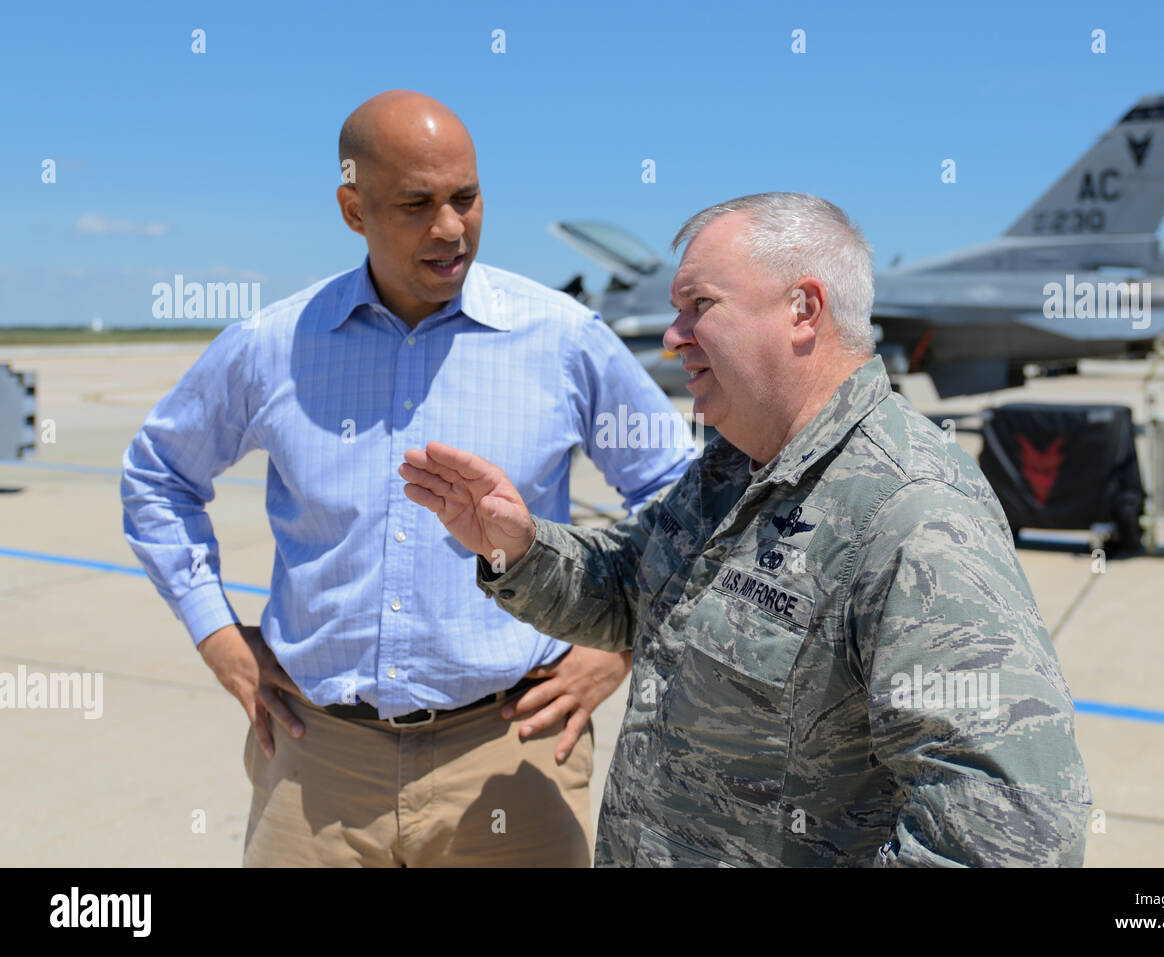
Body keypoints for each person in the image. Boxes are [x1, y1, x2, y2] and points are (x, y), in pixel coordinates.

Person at [399, 192, 1094, 867]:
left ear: (803, 310)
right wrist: (513, 543)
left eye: (699, 306)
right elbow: (627, 592)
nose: (673, 338)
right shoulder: (733, 466)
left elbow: (1017, 832)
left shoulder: (911, 511)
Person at [120, 90, 693, 867]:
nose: (451, 227)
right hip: (316, 760)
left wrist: (622, 640)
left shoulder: (563, 339)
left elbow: (679, 492)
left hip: (512, 751)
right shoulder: (270, 346)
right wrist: (216, 634)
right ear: (353, 209)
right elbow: (158, 475)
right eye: (416, 204)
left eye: (466, 197)